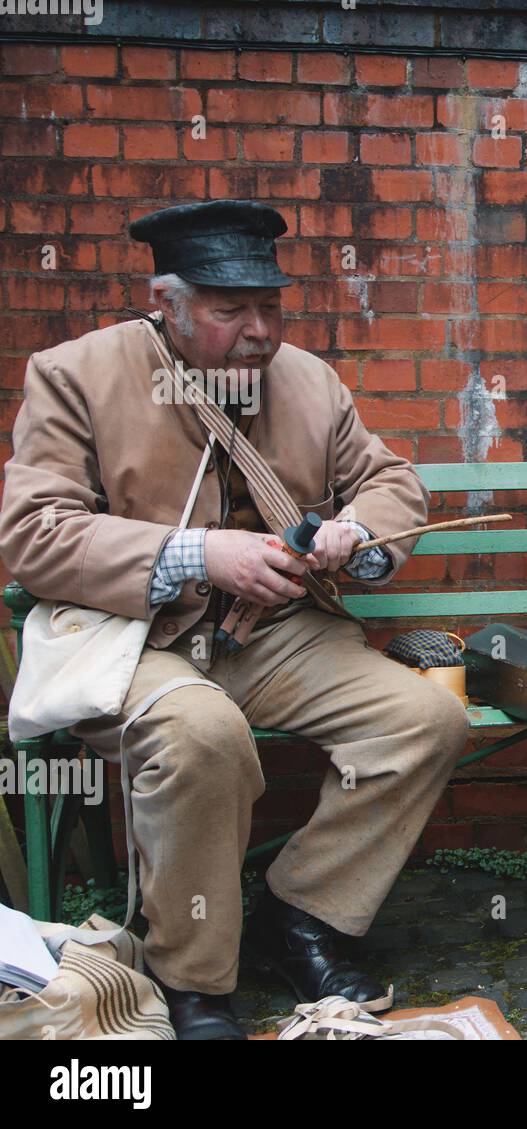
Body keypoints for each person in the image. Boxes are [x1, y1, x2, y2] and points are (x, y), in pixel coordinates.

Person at [0, 200, 470, 1039]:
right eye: (229, 312)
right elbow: (35, 535)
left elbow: (392, 481)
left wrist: (356, 533)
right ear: (167, 304)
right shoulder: (74, 374)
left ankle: (303, 913)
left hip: (274, 637)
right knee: (203, 732)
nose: (259, 331)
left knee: (425, 716)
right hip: (132, 640)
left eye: (271, 306)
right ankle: (194, 981)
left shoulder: (310, 379)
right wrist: (198, 554)